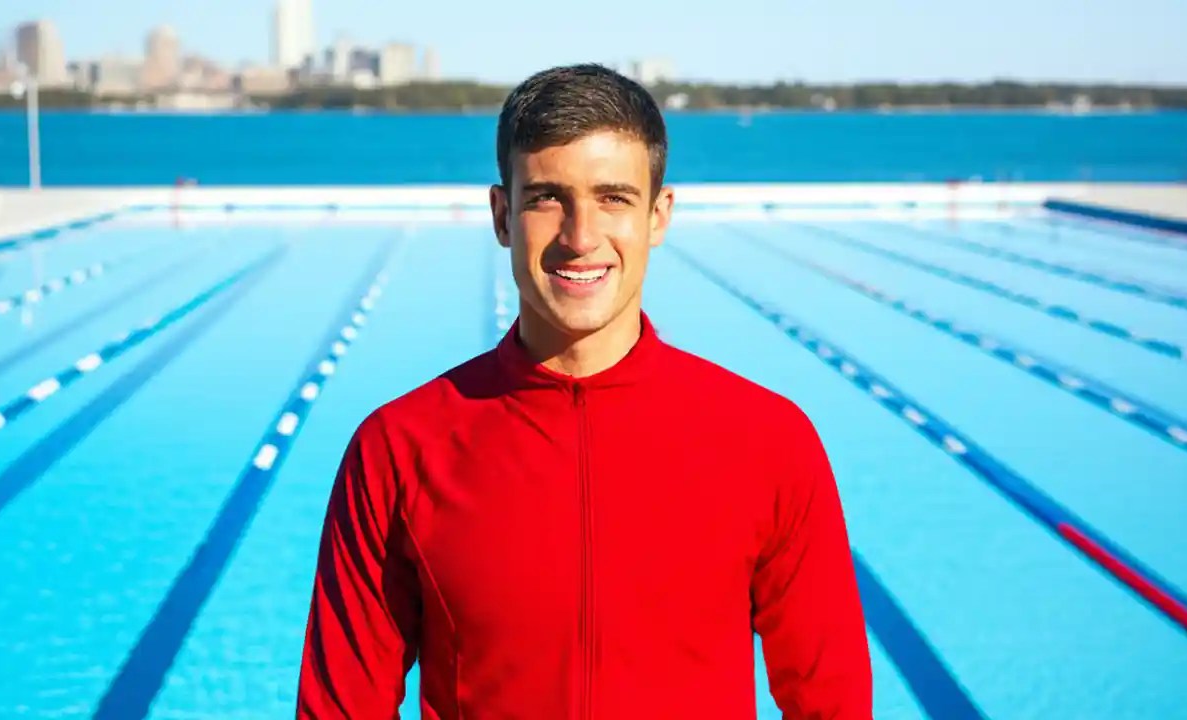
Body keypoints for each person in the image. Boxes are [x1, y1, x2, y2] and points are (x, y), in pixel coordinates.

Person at [295, 64, 873, 719]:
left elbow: (832, 701)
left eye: (613, 198)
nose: (579, 237)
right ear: (501, 215)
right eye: (547, 197)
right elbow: (341, 707)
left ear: (659, 215)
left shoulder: (767, 441)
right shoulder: (400, 448)